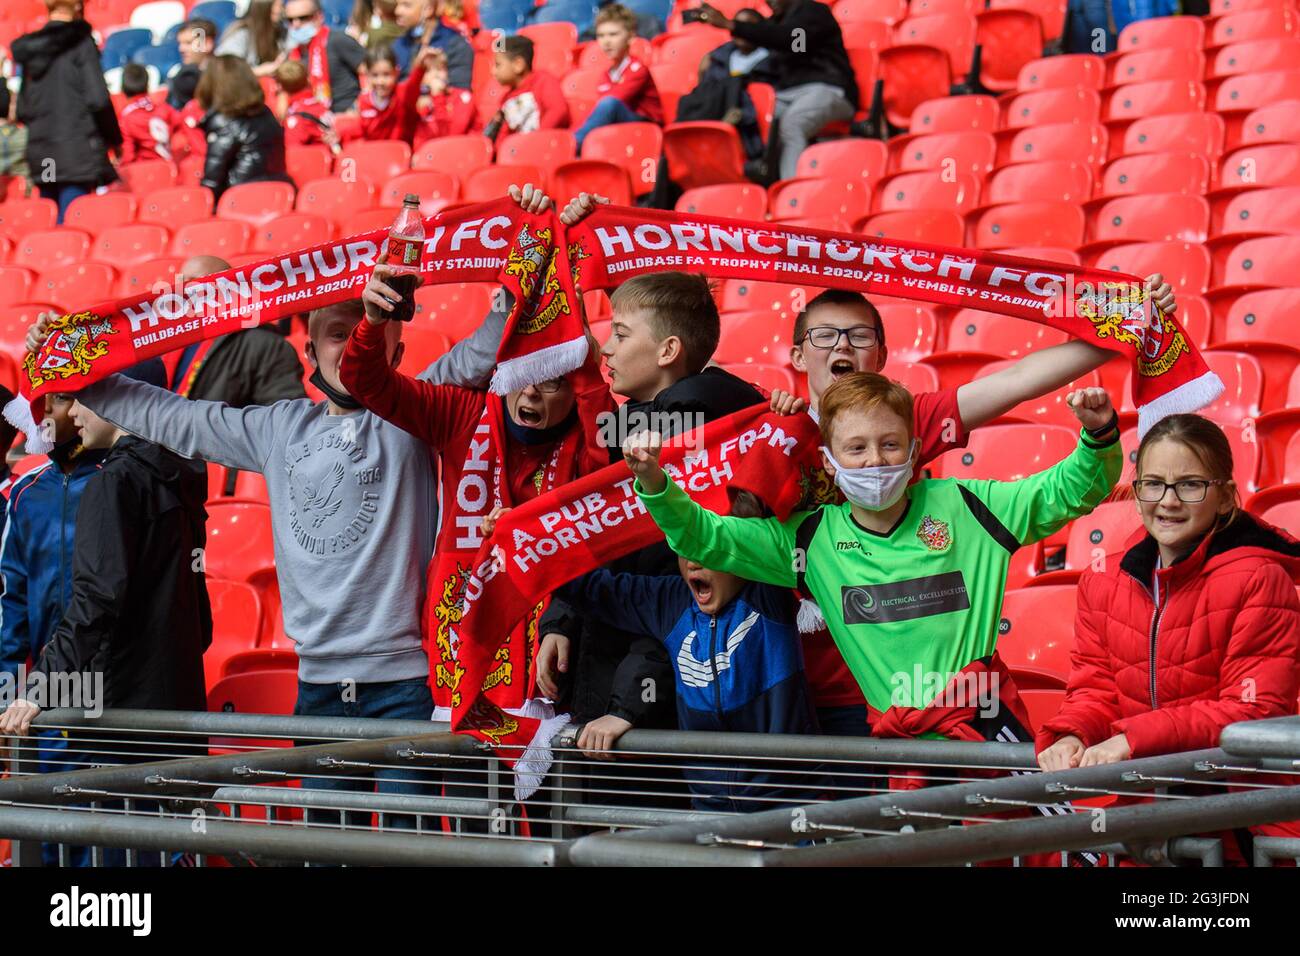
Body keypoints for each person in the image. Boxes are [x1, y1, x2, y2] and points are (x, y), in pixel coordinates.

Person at [33, 199, 518, 824]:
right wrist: (71, 364)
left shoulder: (418, 411)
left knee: (406, 853)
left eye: (363, 330)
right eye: (335, 333)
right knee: (320, 855)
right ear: (309, 348)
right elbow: (166, 415)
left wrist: (519, 258)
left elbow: (492, 342)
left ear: (395, 348)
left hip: (404, 687)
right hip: (315, 691)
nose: (349, 347)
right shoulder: (277, 427)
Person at [628, 373, 1123, 754]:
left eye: (889, 445)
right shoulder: (809, 539)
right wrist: (654, 482)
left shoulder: (971, 507)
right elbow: (704, 536)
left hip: (988, 742)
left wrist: (1098, 437)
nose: (875, 461)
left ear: (912, 449)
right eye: (856, 448)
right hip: (899, 753)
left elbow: (1067, 493)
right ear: (829, 461)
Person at [776, 280, 1175, 737]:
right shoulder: (769, 432)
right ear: (798, 356)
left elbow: (1018, 380)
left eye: (859, 335)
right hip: (801, 683)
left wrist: (1125, 328)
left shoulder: (909, 417)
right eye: (824, 335)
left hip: (907, 697)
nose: (842, 345)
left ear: (881, 356)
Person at [1037, 414, 1300, 766]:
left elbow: (1254, 711)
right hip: (1143, 795)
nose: (1168, 501)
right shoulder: (1101, 581)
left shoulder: (1260, 579)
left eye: (1190, 485)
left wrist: (1135, 739)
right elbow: (1096, 691)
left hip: (1236, 802)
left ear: (1223, 498)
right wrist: (1074, 734)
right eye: (1154, 484)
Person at [556, 492, 821, 812]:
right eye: (684, 547)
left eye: (708, 549)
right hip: (708, 810)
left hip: (788, 808)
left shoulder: (770, 594)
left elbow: (802, 535)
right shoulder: (671, 600)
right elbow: (586, 587)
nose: (693, 561)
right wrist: (522, 542)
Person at [0, 359, 210, 737]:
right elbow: (202, 619)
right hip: (176, 704)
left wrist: (40, 686)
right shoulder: (178, 474)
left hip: (116, 707)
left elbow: (97, 595)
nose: (75, 411)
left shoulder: (112, 482)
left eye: (86, 397)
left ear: (122, 398)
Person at [695, 0, 857, 181]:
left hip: (828, 89)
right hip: (788, 95)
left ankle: (791, 193)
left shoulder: (812, 11)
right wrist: (713, 56)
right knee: (750, 116)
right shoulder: (777, 22)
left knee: (792, 124)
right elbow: (756, 37)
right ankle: (749, 186)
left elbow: (792, 40)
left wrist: (731, 24)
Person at [11, 0, 121, 222]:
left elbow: (23, 109)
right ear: (78, 7)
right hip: (75, 151)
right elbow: (98, 99)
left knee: (50, 218)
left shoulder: (31, 50)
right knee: (71, 219)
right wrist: (114, 139)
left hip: (45, 155)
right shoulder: (80, 42)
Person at [195, 55, 295, 199]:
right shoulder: (265, 112)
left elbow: (212, 181)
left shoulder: (223, 121)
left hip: (240, 199)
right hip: (277, 195)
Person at [572, 4, 662, 151]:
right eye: (601, 36)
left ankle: (573, 145)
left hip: (647, 127)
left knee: (609, 103)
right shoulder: (606, 75)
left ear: (631, 37)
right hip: (621, 128)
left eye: (613, 34)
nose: (606, 41)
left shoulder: (638, 69)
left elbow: (614, 102)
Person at [347, 44, 442, 145]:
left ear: (396, 72)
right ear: (367, 75)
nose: (381, 81)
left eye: (386, 74)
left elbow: (413, 84)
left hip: (402, 157)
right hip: (375, 156)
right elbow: (361, 132)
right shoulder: (363, 100)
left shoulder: (403, 94)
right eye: (375, 75)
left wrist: (420, 66)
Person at [283, 0, 367, 112]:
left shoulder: (337, 40)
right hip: (311, 118)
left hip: (345, 115)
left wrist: (355, 111)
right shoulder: (293, 54)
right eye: (290, 20)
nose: (296, 24)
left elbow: (369, 72)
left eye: (303, 18)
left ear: (319, 16)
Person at [485, 35, 570, 142]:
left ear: (518, 64)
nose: (493, 71)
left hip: (547, 147)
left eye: (498, 65)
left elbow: (558, 110)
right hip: (519, 152)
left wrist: (534, 140)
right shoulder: (505, 99)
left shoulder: (543, 81)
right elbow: (504, 133)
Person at [391, 0, 472, 87]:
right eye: (397, 4)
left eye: (406, 5)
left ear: (428, 9)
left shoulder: (455, 45)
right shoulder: (399, 44)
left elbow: (460, 91)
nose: (397, 11)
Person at [117, 63, 182, 167]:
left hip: (145, 172)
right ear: (147, 85)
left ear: (123, 88)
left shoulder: (127, 118)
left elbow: (127, 156)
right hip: (170, 167)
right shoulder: (164, 108)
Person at [413, 46, 476, 143]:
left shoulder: (463, 97)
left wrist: (438, 96)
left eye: (439, 69)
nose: (435, 75)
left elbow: (453, 135)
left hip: (455, 151)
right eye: (428, 71)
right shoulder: (418, 100)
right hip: (424, 153)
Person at [276, 58, 338, 150]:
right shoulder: (319, 104)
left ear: (280, 87)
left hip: (316, 160)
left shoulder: (296, 118)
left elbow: (292, 155)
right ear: (307, 79)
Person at [218, 0, 286, 76]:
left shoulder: (277, 31)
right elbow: (226, 70)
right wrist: (260, 71)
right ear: (265, 9)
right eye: (279, 6)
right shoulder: (241, 34)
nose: (282, 10)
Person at [167, 17, 219, 110]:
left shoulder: (225, 73)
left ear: (207, 44)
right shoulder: (178, 74)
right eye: (180, 43)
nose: (181, 49)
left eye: (188, 43)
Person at [0, 84, 30, 181]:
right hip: (20, 189)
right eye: (12, 103)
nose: (15, 107)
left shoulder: (23, 131)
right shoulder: (24, 134)